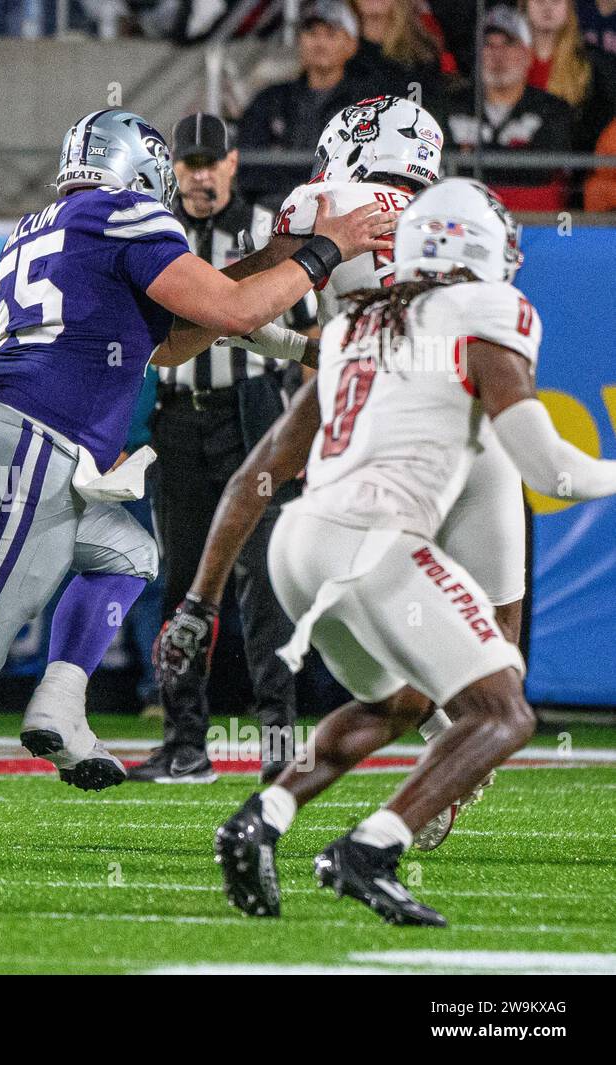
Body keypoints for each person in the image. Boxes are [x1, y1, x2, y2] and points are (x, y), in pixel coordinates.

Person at [0, 108, 395, 845]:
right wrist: (323, 250)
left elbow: (179, 340)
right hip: (30, 440)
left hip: (17, 435)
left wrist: (294, 296)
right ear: (142, 173)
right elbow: (230, 305)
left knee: (129, 553)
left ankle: (60, 700)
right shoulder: (124, 215)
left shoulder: (50, 224)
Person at [210, 179, 616, 926]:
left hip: (300, 547)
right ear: (480, 248)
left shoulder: (357, 324)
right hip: (377, 548)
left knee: (400, 698)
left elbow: (266, 464)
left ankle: (261, 817)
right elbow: (550, 469)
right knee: (505, 713)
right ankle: (370, 847)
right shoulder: (489, 310)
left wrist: (201, 597)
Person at [161, 98, 523, 852]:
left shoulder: (324, 202)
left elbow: (237, 303)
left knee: (387, 673)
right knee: (498, 668)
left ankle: (303, 802)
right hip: (472, 435)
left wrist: (188, 330)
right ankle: (433, 778)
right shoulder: (456, 213)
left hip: (369, 432)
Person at [133, 112, 299, 785]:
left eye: (211, 161)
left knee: (266, 581)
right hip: (177, 417)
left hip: (254, 413)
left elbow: (312, 332)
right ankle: (185, 741)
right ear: (173, 167)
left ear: (232, 163)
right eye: (189, 162)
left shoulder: (264, 231)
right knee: (181, 581)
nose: (200, 174)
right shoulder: (154, 231)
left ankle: (281, 744)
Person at [238, 0, 372, 208]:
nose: (320, 43)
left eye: (330, 33)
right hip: (275, 215)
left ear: (352, 44)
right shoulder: (269, 100)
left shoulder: (367, 105)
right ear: (300, 40)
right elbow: (248, 170)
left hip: (343, 212)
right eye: (311, 33)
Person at [441, 7, 575, 211]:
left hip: (534, 225)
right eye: (488, 45)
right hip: (460, 218)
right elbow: (440, 165)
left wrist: (469, 156)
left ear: (528, 54)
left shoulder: (553, 109)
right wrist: (513, 158)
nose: (498, 55)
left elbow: (539, 173)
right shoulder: (450, 105)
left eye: (509, 44)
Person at [522, 0, 616, 151]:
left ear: (569, 7)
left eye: (556, 1)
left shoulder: (593, 65)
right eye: (539, 1)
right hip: (517, 159)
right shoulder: (505, 61)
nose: (547, 7)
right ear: (524, 5)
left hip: (571, 161)